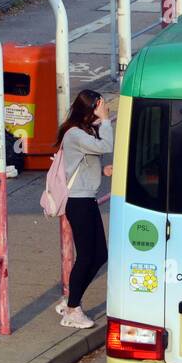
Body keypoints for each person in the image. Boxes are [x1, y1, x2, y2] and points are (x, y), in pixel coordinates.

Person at [53, 89, 113, 328]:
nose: (105, 109)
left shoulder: (82, 131)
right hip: (79, 202)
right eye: (101, 106)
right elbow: (105, 145)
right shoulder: (74, 134)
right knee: (87, 256)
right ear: (91, 108)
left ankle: (71, 300)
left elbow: (81, 162)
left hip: (86, 199)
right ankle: (72, 310)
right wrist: (106, 120)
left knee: (100, 256)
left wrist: (101, 171)